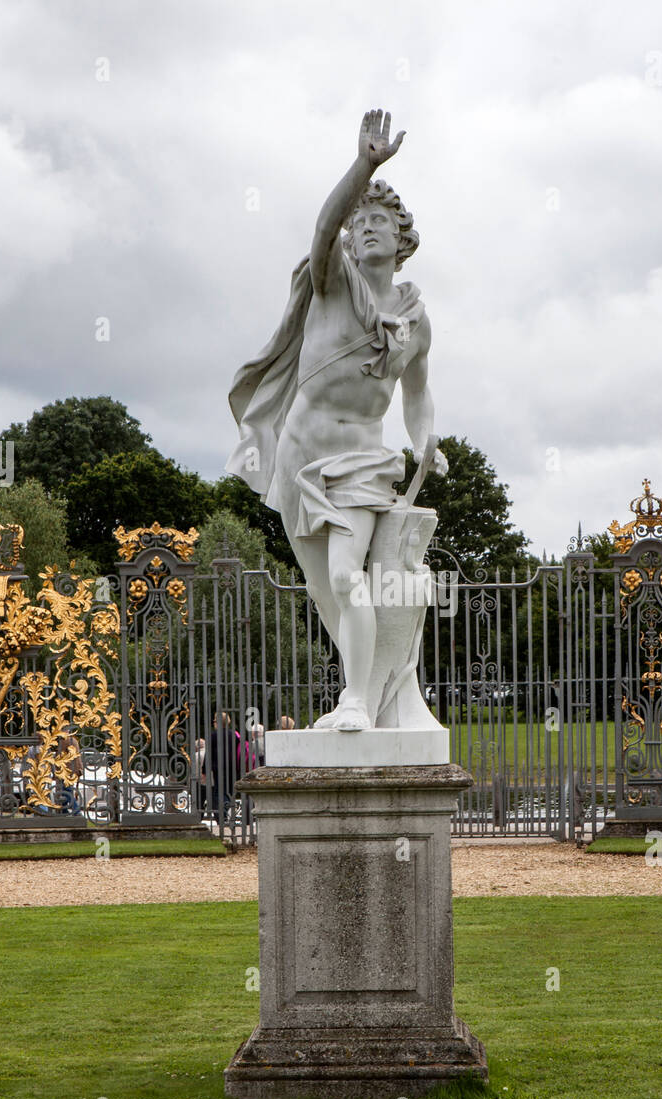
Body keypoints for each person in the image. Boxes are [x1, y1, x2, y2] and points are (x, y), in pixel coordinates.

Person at [227, 109, 447, 732]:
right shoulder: (331, 281)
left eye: (379, 220)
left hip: (362, 462)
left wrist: (427, 438)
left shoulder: (414, 319)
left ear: (402, 240)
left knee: (351, 576)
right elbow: (323, 225)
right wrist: (364, 166)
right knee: (330, 595)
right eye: (361, 221)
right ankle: (379, 698)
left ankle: (356, 700)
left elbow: (418, 393)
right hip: (300, 456)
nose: (366, 228)